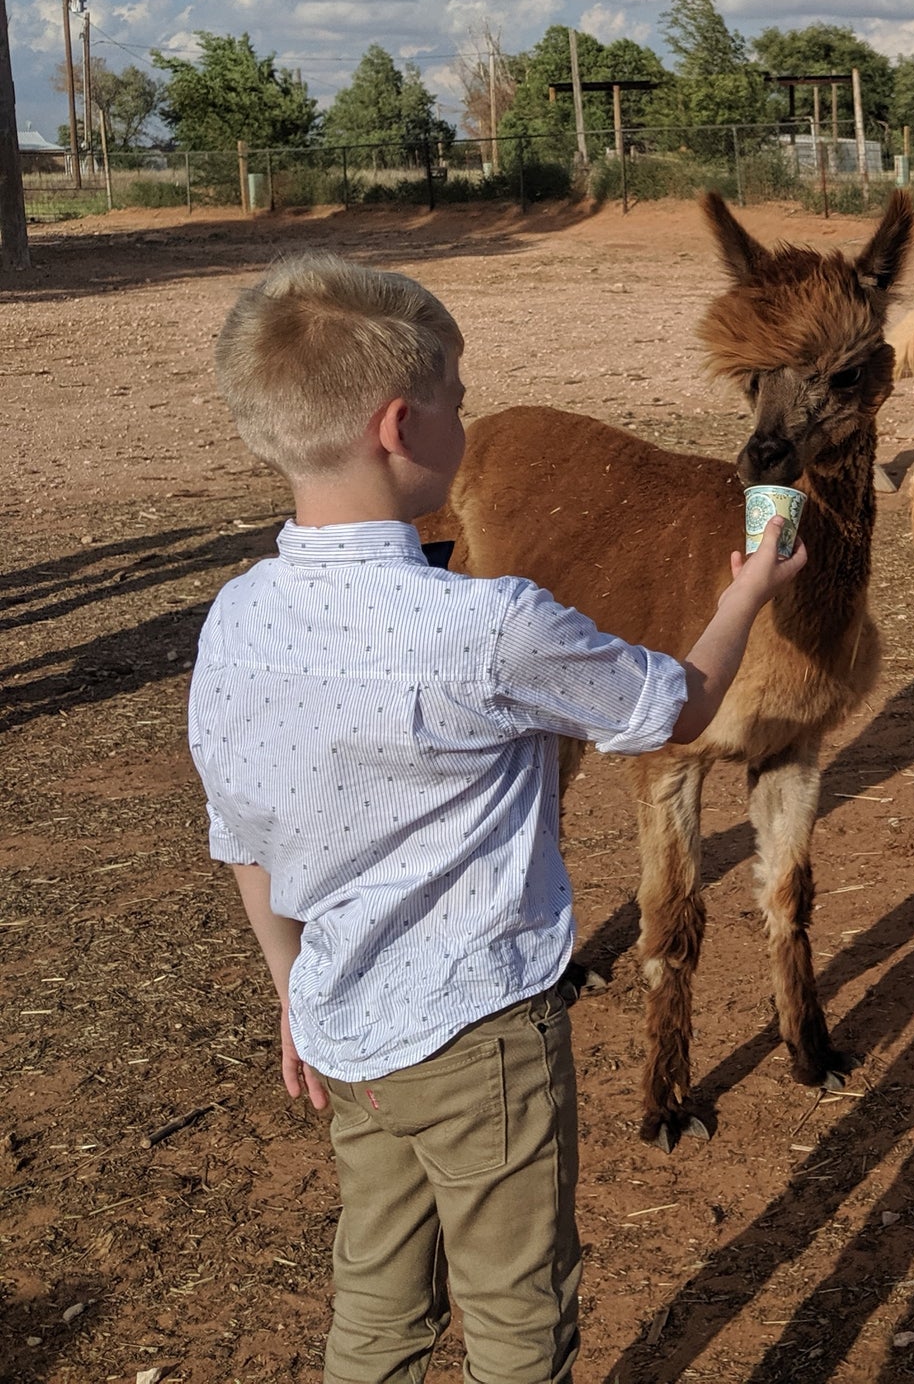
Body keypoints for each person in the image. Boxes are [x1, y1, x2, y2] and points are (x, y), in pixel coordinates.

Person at [189, 254, 806, 1384]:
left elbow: (242, 835)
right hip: (479, 1035)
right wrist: (745, 596)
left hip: (343, 1021)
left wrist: (292, 989)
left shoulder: (236, 619)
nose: (468, 423)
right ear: (400, 425)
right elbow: (680, 703)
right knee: (520, 1321)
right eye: (460, 402)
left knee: (377, 1300)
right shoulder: (487, 628)